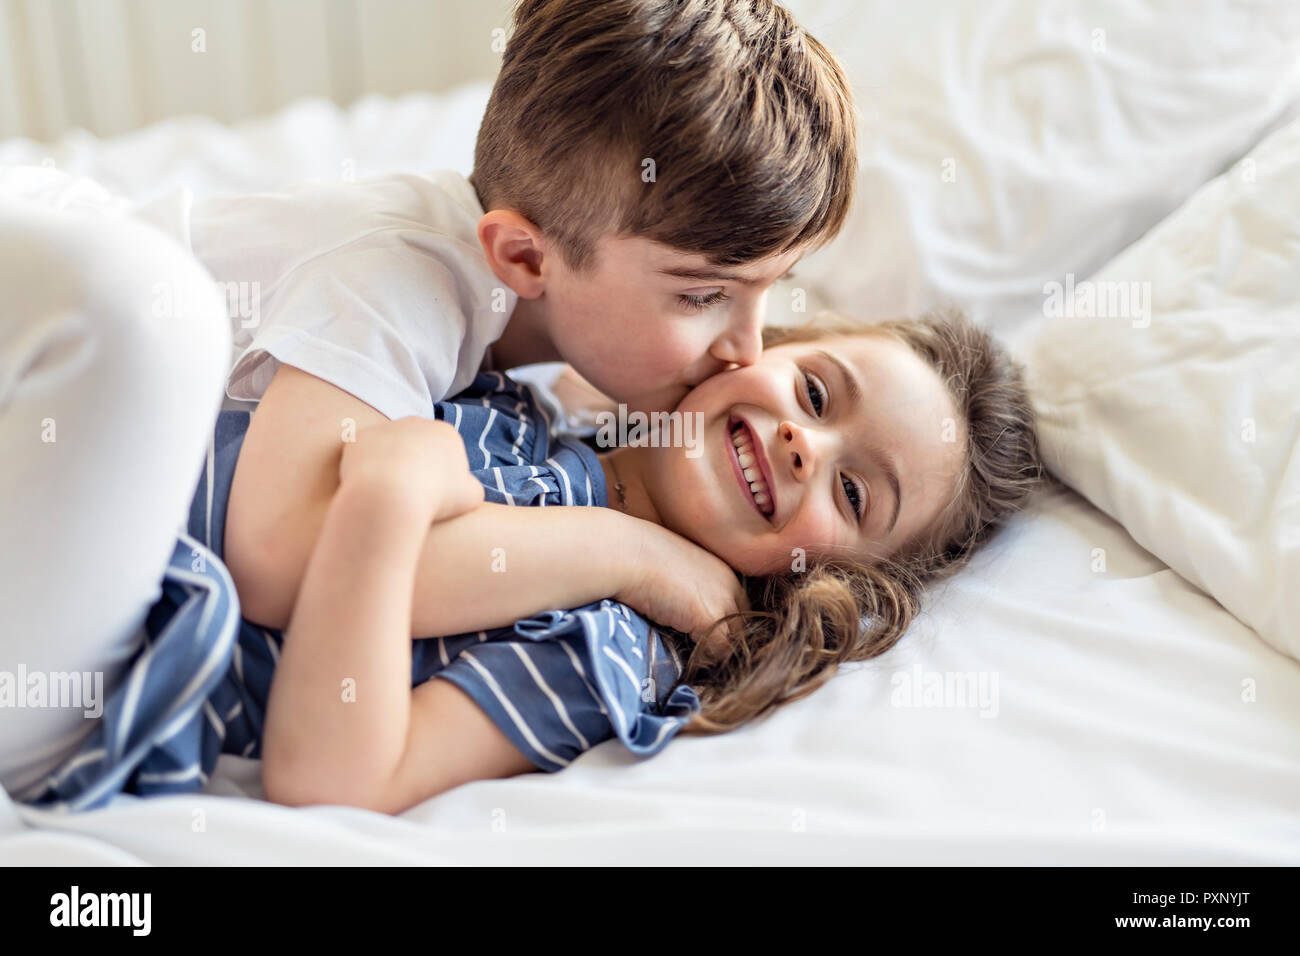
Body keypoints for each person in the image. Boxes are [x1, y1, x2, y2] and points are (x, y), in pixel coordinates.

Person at [0, 0, 856, 798]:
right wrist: (632, 553)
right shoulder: (406, 276)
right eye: (704, 296)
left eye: (770, 291)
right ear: (523, 260)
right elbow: (273, 555)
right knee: (155, 318)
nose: (747, 344)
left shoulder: (529, 352)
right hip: (43, 331)